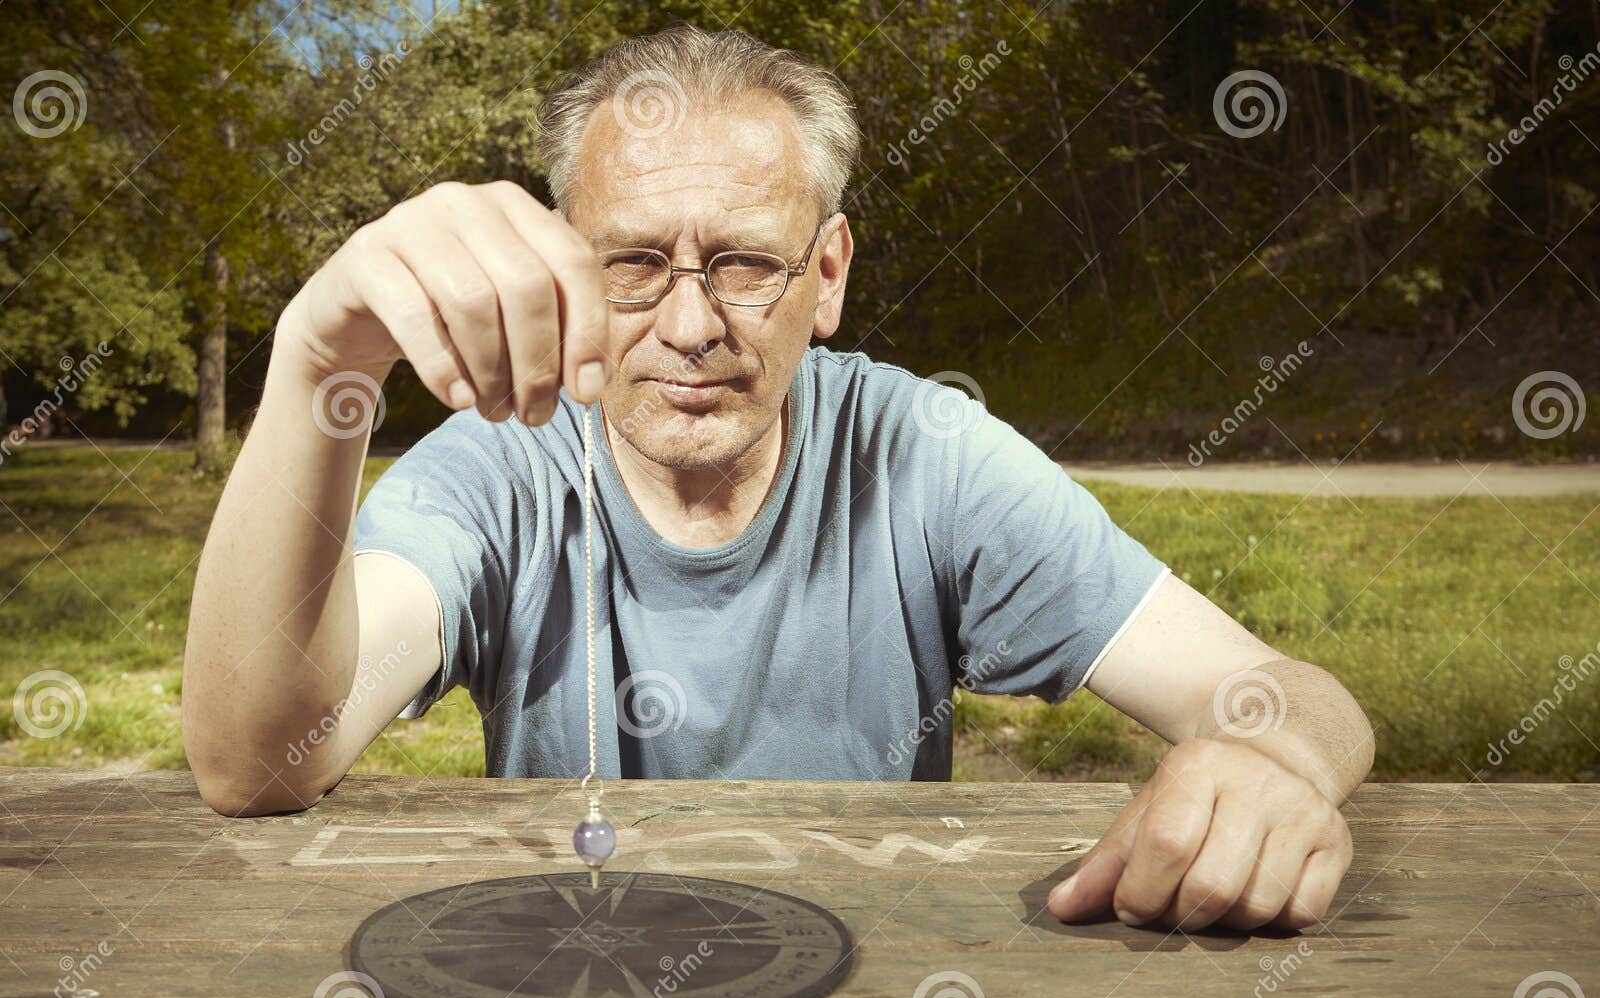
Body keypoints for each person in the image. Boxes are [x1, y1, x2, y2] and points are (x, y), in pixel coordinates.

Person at [181, 24, 1374, 935]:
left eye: (747, 262)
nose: (691, 324)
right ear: (561, 263)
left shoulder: (925, 453)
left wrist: (1268, 759)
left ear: (829, 271)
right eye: (636, 263)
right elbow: (260, 758)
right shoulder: (500, 468)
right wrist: (318, 359)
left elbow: (1284, 690)